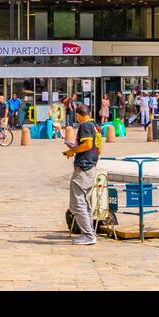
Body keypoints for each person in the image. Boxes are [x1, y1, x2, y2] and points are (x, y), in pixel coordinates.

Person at [62, 103, 101, 246]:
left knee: (77, 204)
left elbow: (88, 145)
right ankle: (90, 232)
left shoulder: (85, 126)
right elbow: (97, 148)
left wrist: (73, 151)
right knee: (85, 204)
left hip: (83, 168)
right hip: (90, 167)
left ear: (78, 115)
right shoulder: (96, 127)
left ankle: (88, 235)